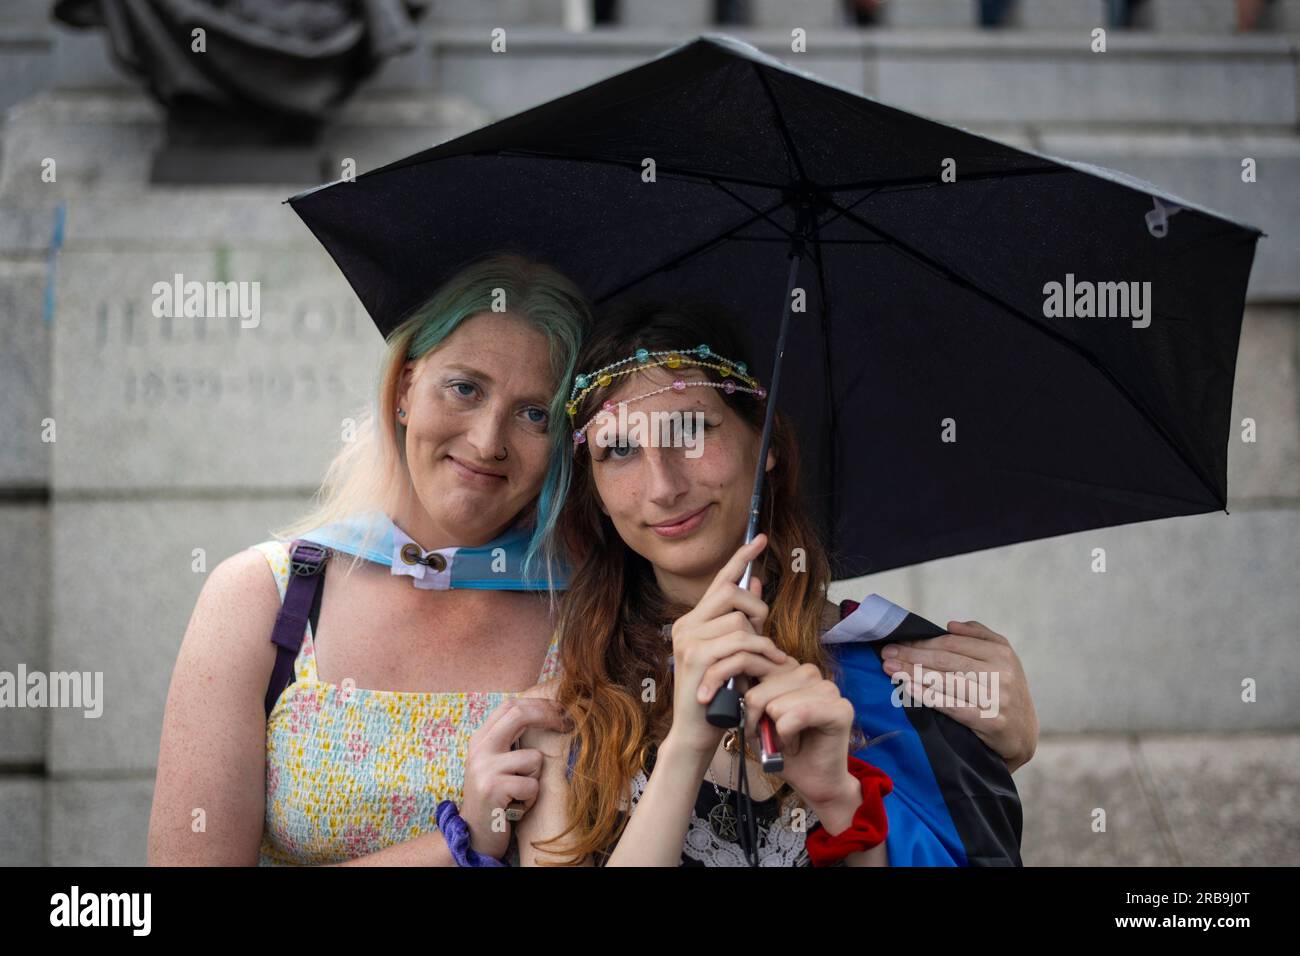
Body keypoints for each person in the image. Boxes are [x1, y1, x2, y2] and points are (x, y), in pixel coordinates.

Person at [513, 301, 1034, 866]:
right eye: (618, 449)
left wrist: (843, 803)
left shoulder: (895, 675)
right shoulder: (567, 717)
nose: (661, 486)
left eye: (689, 430)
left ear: (768, 448)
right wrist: (687, 744)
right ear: (594, 488)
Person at [147, 253, 590, 865]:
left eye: (534, 413)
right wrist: (458, 841)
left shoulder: (590, 619)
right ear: (405, 388)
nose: (489, 441)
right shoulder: (267, 598)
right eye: (465, 388)